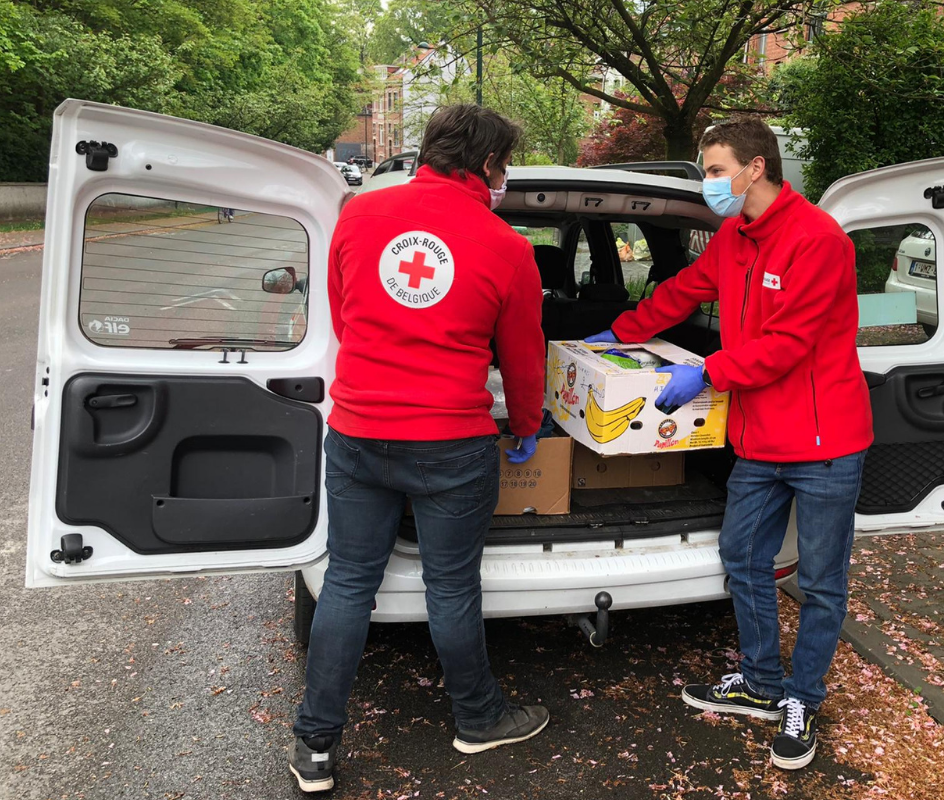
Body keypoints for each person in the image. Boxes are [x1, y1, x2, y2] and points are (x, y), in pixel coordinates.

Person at [585, 117, 872, 771]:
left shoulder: (817, 240)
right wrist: (620, 332)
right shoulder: (736, 237)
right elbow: (684, 291)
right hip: (758, 437)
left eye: (715, 170)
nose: (709, 182)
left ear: (757, 167)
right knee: (742, 560)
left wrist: (706, 373)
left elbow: (788, 345)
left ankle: (802, 700)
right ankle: (762, 682)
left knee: (822, 585)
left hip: (824, 442)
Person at [289, 104, 548, 793]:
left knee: (347, 583)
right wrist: (526, 424)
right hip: (450, 444)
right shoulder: (507, 246)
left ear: (431, 151)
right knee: (451, 586)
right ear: (489, 166)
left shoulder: (358, 218)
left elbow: (344, 318)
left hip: (358, 432)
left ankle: (314, 745)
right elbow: (523, 359)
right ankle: (478, 718)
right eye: (505, 167)